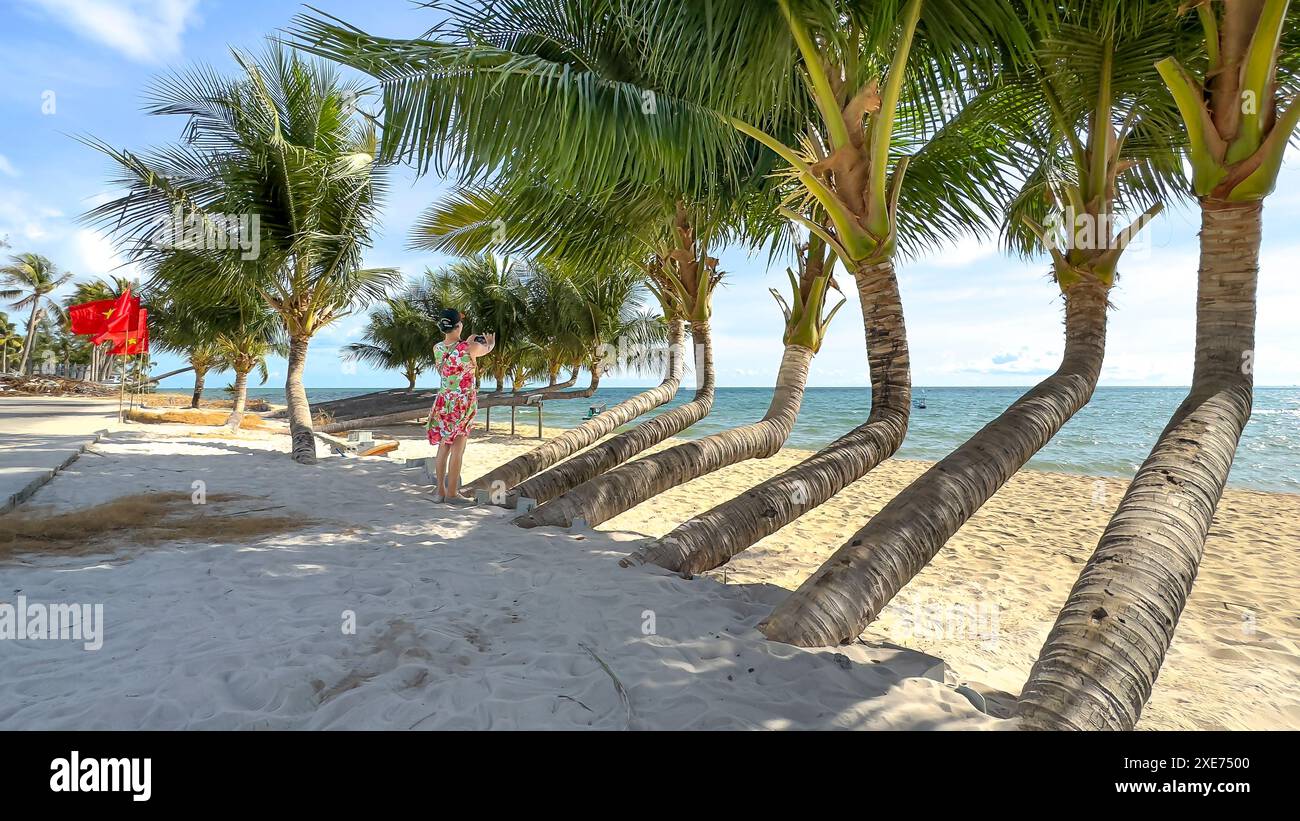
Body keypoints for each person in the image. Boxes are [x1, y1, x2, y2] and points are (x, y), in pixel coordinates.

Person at [426, 308, 494, 503]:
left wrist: (469, 340)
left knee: (443, 446)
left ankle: (440, 492)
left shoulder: (437, 348)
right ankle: (453, 493)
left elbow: (453, 352)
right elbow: (486, 349)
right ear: (458, 326)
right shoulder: (468, 348)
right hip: (463, 403)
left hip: (443, 401)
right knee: (458, 448)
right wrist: (489, 342)